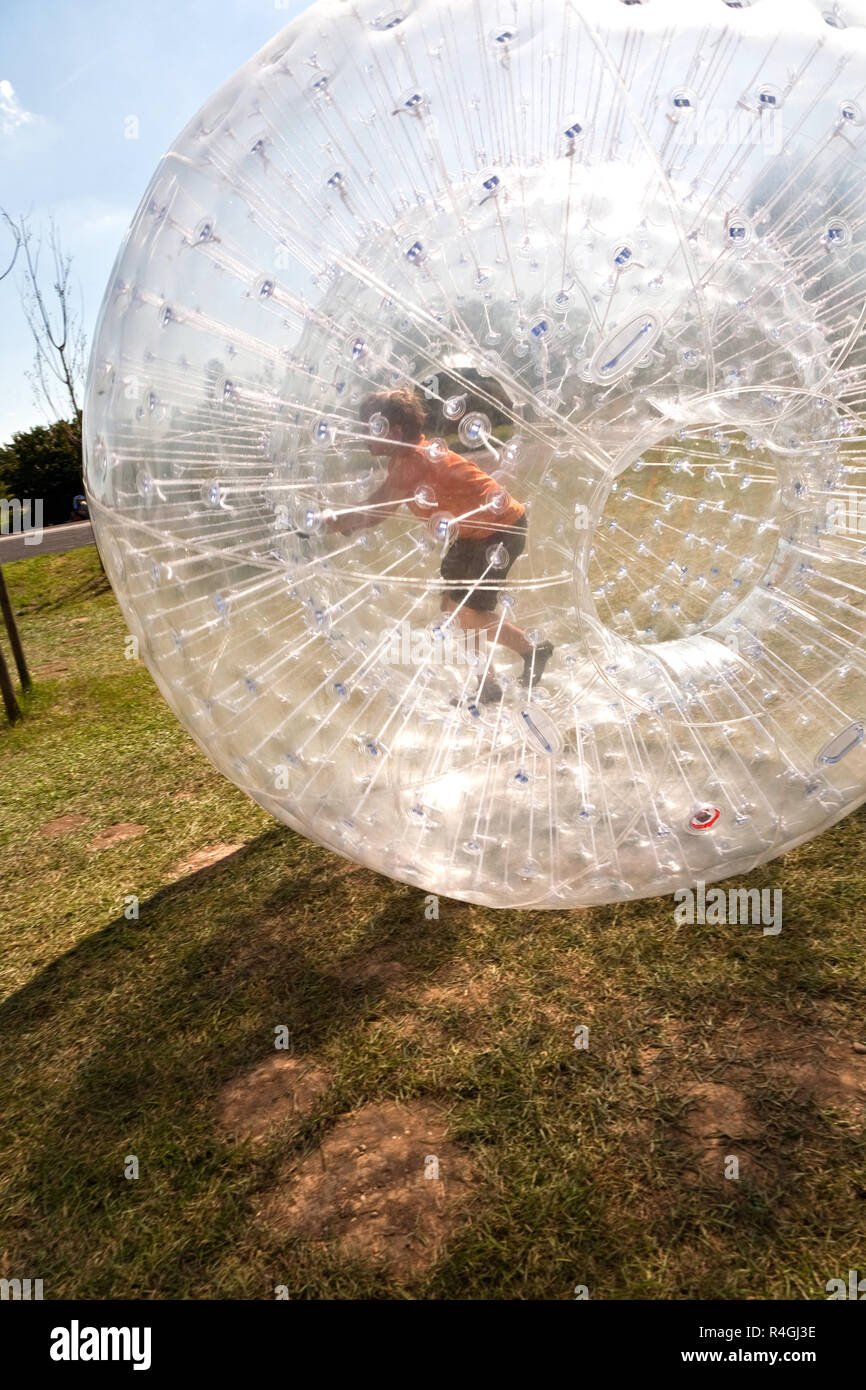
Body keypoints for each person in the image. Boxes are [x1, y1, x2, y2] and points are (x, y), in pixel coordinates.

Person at [323, 387, 554, 701]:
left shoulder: (413, 461)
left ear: (395, 430)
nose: (363, 436)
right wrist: (349, 523)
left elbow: (377, 510)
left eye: (369, 428)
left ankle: (532, 649)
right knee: (454, 608)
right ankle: (487, 684)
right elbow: (378, 509)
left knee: (468, 612)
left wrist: (335, 521)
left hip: (499, 529)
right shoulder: (406, 459)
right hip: (472, 534)